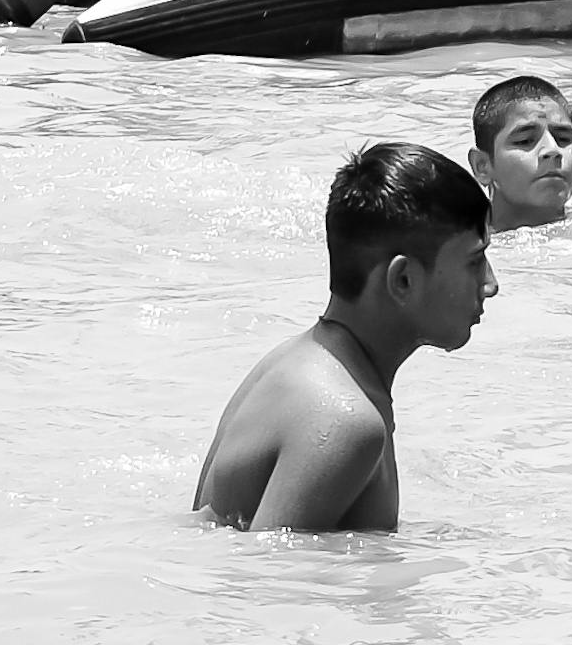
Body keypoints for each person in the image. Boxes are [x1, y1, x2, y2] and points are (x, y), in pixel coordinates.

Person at [193, 141, 493, 535]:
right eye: (475, 261)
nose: (490, 284)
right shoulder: (345, 420)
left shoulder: (294, 363)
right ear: (402, 280)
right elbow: (266, 585)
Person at [471, 74, 572, 230]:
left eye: (563, 139)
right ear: (482, 166)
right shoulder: (451, 248)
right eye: (525, 141)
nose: (553, 150)